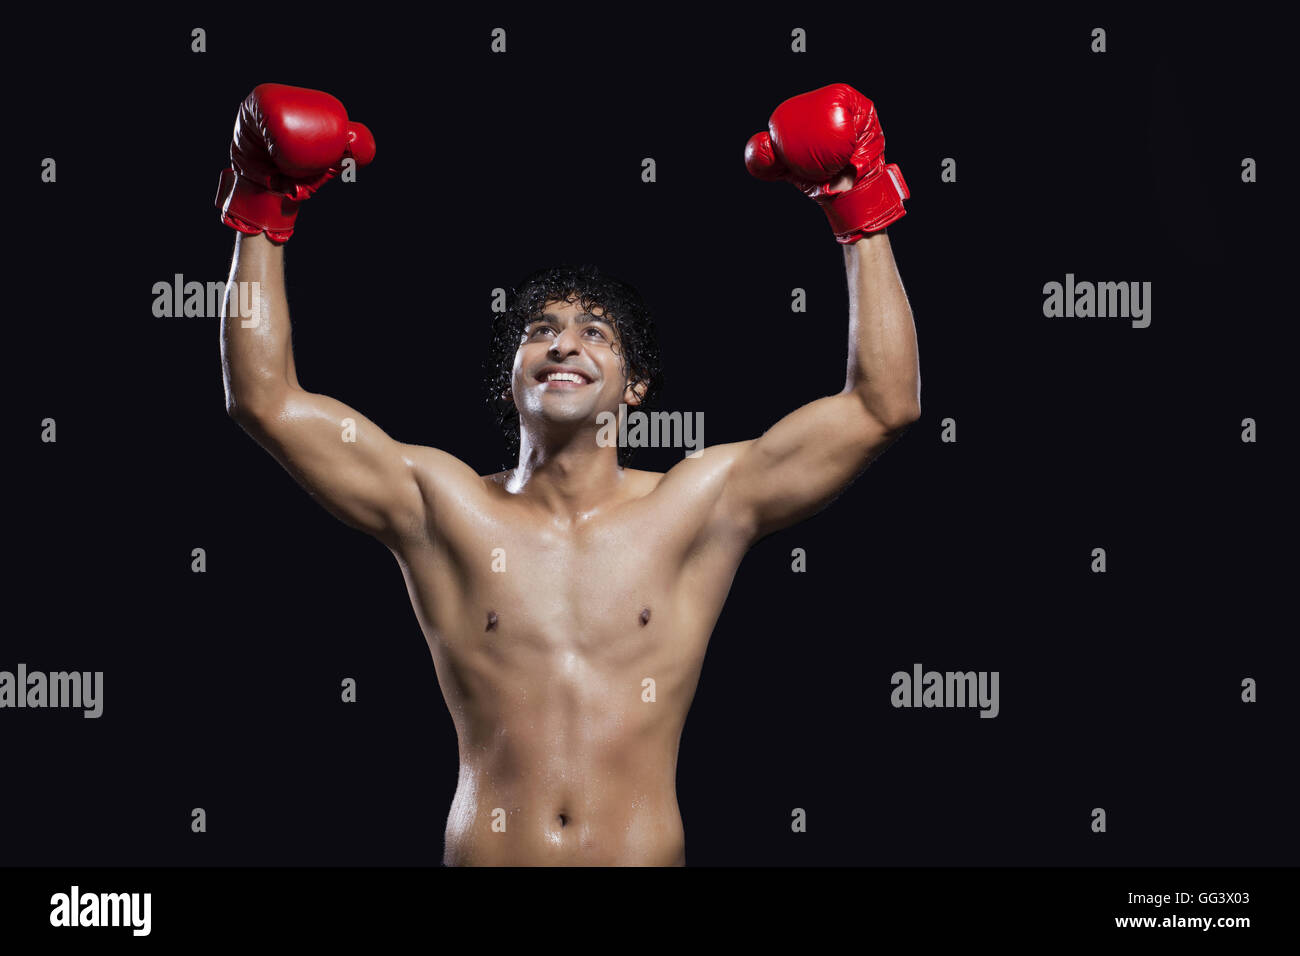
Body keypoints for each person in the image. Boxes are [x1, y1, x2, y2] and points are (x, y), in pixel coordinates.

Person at [218, 82, 919, 865]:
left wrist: (859, 208)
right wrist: (262, 207)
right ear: (511, 376)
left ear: (635, 385)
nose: (564, 344)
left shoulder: (697, 504)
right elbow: (266, 399)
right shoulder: (440, 504)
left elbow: (881, 407)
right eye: (540, 331)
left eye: (596, 333)